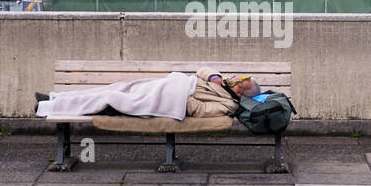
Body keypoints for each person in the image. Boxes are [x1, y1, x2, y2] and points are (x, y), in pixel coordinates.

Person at [34, 69, 261, 119]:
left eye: (243, 82)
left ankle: (49, 108)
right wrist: (212, 76)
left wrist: (181, 92)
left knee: (111, 98)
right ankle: (56, 98)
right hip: (163, 86)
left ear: (242, 94)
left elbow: (200, 110)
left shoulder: (229, 105)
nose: (239, 79)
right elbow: (202, 69)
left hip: (168, 98)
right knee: (114, 88)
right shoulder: (220, 81)